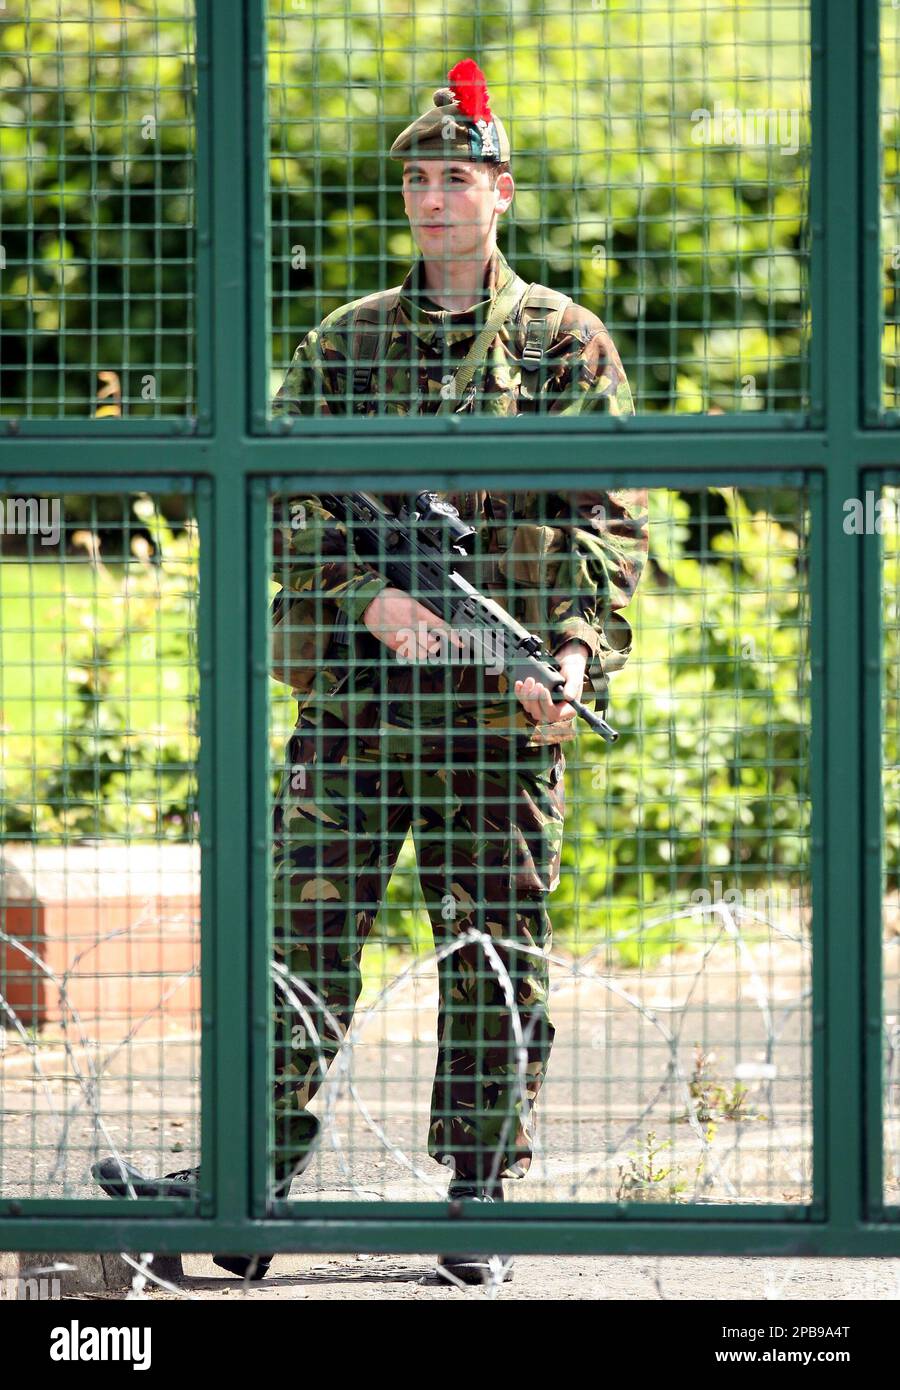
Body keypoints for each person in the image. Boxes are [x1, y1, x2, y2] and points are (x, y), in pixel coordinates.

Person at [93, 59, 649, 1287]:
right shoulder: (346, 343)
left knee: (494, 951)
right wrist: (369, 597)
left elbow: (608, 515)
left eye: (457, 176)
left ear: (501, 191)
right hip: (362, 707)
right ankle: (246, 1191)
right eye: (417, 179)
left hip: (497, 722)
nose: (434, 199)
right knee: (300, 932)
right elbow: (279, 493)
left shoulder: (564, 342)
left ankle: (478, 1200)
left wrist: (566, 654)